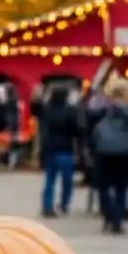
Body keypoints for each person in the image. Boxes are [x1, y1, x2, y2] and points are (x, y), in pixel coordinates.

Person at [91, 78, 128, 235]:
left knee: (103, 186)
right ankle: (117, 221)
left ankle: (108, 213)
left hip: (104, 150)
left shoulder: (102, 109)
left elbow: (89, 125)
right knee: (121, 188)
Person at [40, 85, 80, 217]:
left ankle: (47, 206)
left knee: (50, 180)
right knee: (67, 180)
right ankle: (64, 204)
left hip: (50, 148)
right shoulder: (70, 111)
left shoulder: (47, 110)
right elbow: (76, 129)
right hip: (65, 148)